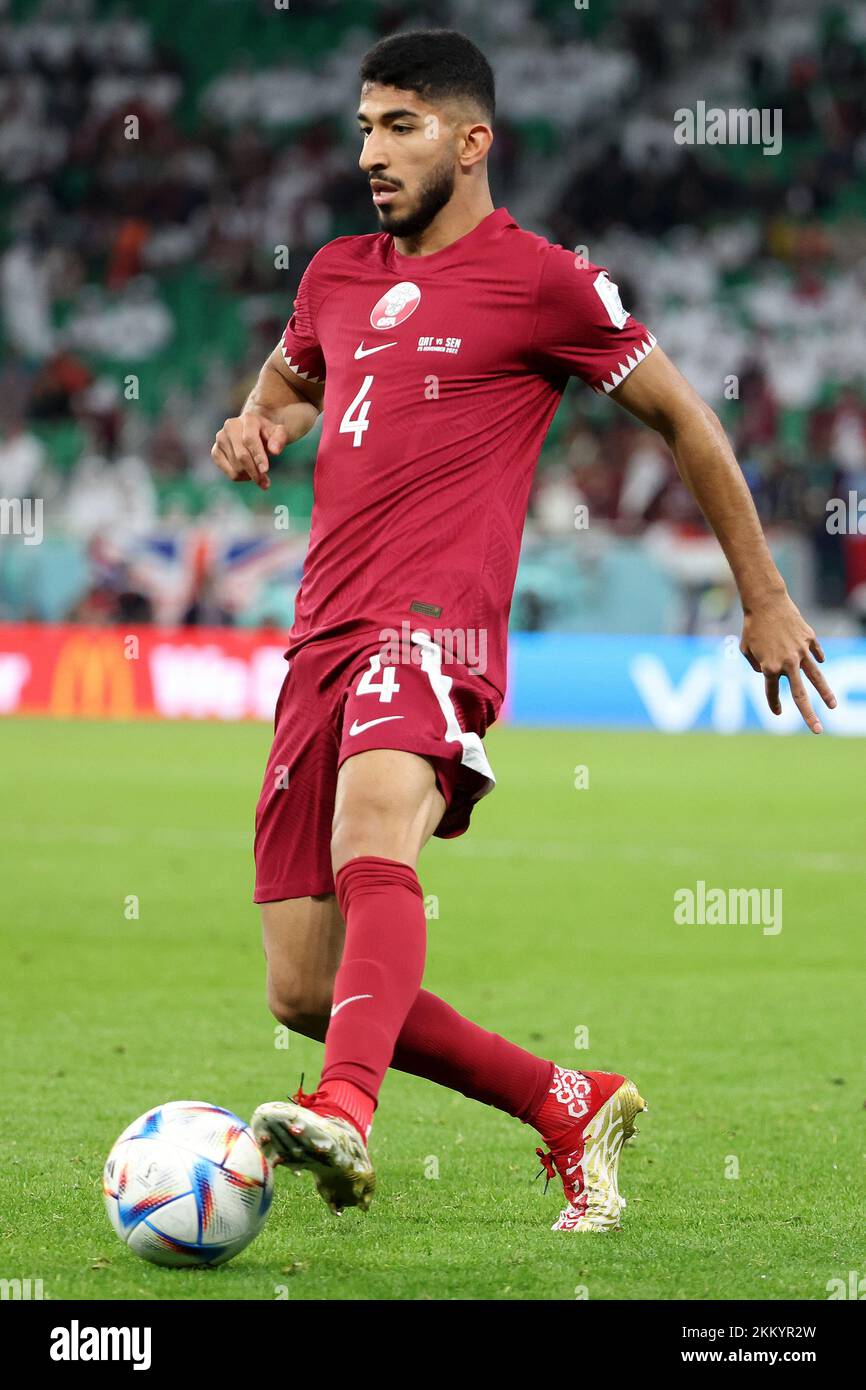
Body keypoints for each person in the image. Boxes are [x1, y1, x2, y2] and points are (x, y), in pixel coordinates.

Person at [210, 30, 835, 1232]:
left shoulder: (544, 281)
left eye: (397, 127)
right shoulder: (335, 272)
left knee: (372, 829)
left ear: (471, 139)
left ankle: (346, 1106)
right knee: (302, 983)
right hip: (318, 640)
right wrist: (257, 426)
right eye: (359, 127)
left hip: (434, 630)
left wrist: (760, 596)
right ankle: (566, 1100)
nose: (369, 154)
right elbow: (292, 380)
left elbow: (684, 424)